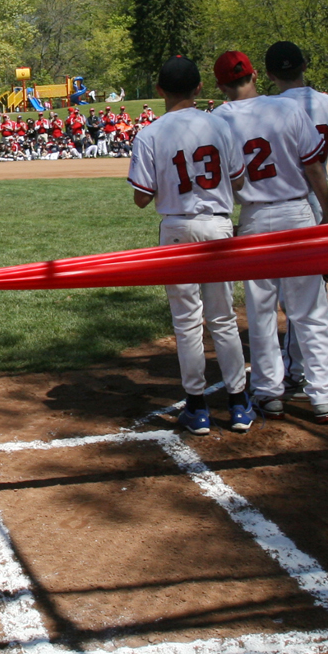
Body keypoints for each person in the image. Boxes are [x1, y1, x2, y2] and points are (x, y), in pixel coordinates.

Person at [213, 50, 328, 424]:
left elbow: (225, 179)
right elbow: (313, 167)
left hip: (254, 217)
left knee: (261, 311)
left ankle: (269, 393)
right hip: (297, 212)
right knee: (310, 311)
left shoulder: (219, 118)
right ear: (255, 74)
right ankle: (322, 396)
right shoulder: (287, 108)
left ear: (221, 85)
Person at [128, 56, 251, 436]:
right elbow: (239, 181)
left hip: (177, 228)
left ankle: (196, 408)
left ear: (159, 90)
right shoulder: (221, 124)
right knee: (223, 318)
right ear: (199, 88)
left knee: (186, 322)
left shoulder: (149, 133)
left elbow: (141, 198)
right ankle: (239, 403)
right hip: (217, 225)